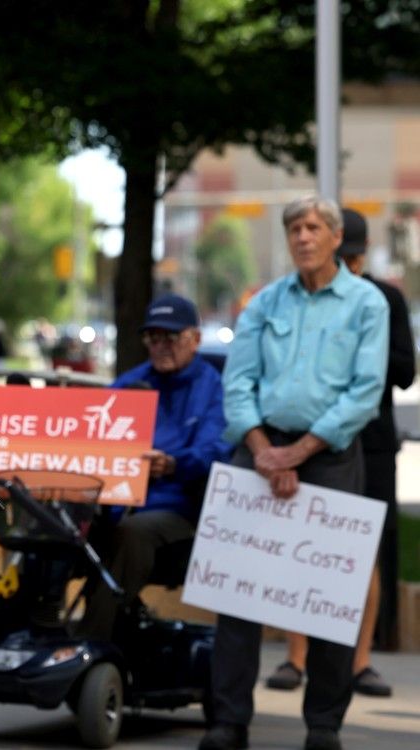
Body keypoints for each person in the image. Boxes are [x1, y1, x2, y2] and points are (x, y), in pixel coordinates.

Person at [198, 196, 389, 750]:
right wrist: (263, 449)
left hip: (328, 456)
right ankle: (229, 720)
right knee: (237, 594)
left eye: (312, 227)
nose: (302, 237)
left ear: (334, 237)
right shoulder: (264, 303)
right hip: (258, 453)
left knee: (329, 596)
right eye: (294, 229)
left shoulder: (365, 304)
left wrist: (298, 452)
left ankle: (323, 724)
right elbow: (238, 383)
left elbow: (364, 392)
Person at [264, 208, 415, 700]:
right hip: (308, 439)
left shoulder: (379, 299)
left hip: (367, 441)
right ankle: (297, 654)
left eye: (352, 256)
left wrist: (358, 352)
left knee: (363, 548)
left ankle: (360, 658)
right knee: (297, 544)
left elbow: (401, 369)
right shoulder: (298, 299)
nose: (345, 265)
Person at [78, 294, 232, 640]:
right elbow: (89, 429)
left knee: (132, 535)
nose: (160, 346)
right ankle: (25, 624)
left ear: (195, 339)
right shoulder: (132, 382)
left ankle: (90, 642)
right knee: (55, 521)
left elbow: (217, 451)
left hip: (181, 507)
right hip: (118, 501)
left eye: (170, 337)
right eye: (153, 338)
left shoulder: (213, 388)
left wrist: (174, 465)